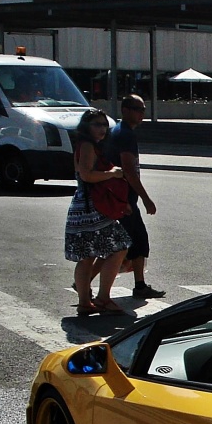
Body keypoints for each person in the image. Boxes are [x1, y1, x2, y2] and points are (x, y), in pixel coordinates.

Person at [64, 108, 131, 316]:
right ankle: (102, 298)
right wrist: (112, 173)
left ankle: (86, 302)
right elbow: (87, 175)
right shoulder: (87, 146)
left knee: (88, 256)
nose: (102, 129)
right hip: (92, 208)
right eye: (97, 124)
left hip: (85, 206)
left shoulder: (89, 146)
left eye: (104, 125)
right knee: (119, 246)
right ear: (86, 127)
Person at [103, 94, 164, 298]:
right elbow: (129, 171)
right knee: (133, 242)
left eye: (143, 109)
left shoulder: (118, 131)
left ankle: (139, 284)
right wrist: (146, 199)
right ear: (125, 110)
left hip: (118, 197)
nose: (142, 114)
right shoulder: (125, 134)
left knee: (123, 243)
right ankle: (138, 286)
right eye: (138, 109)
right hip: (123, 199)